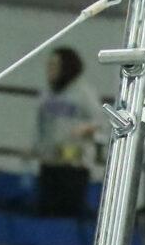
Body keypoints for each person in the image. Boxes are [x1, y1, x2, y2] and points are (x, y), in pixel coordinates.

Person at [35, 46, 106, 217]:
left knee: (69, 213)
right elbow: (40, 126)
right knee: (47, 212)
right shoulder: (46, 94)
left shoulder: (83, 93)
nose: (49, 70)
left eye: (54, 65)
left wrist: (84, 129)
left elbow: (100, 121)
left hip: (74, 165)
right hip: (50, 162)